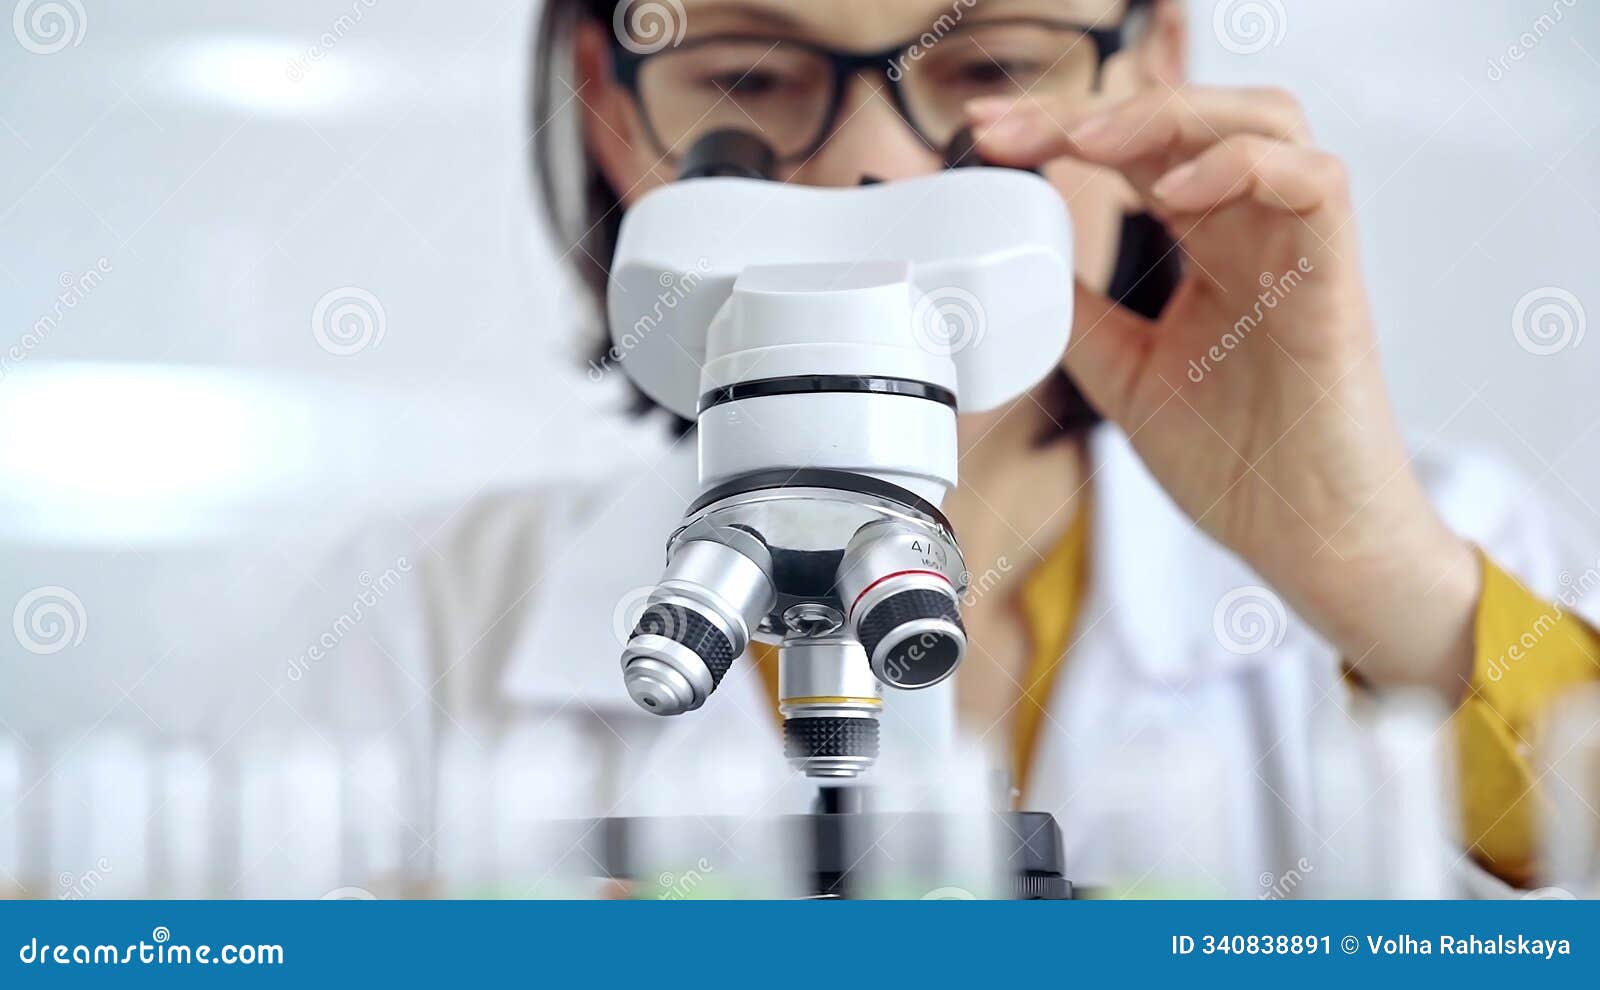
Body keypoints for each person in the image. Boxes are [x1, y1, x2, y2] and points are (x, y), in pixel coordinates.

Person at [313, 0, 1600, 895]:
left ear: (1150, 67)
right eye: (749, 82)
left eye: (989, 67)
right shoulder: (425, 616)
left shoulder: (1453, 544)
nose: (875, 174)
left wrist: (1369, 571)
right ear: (609, 111)